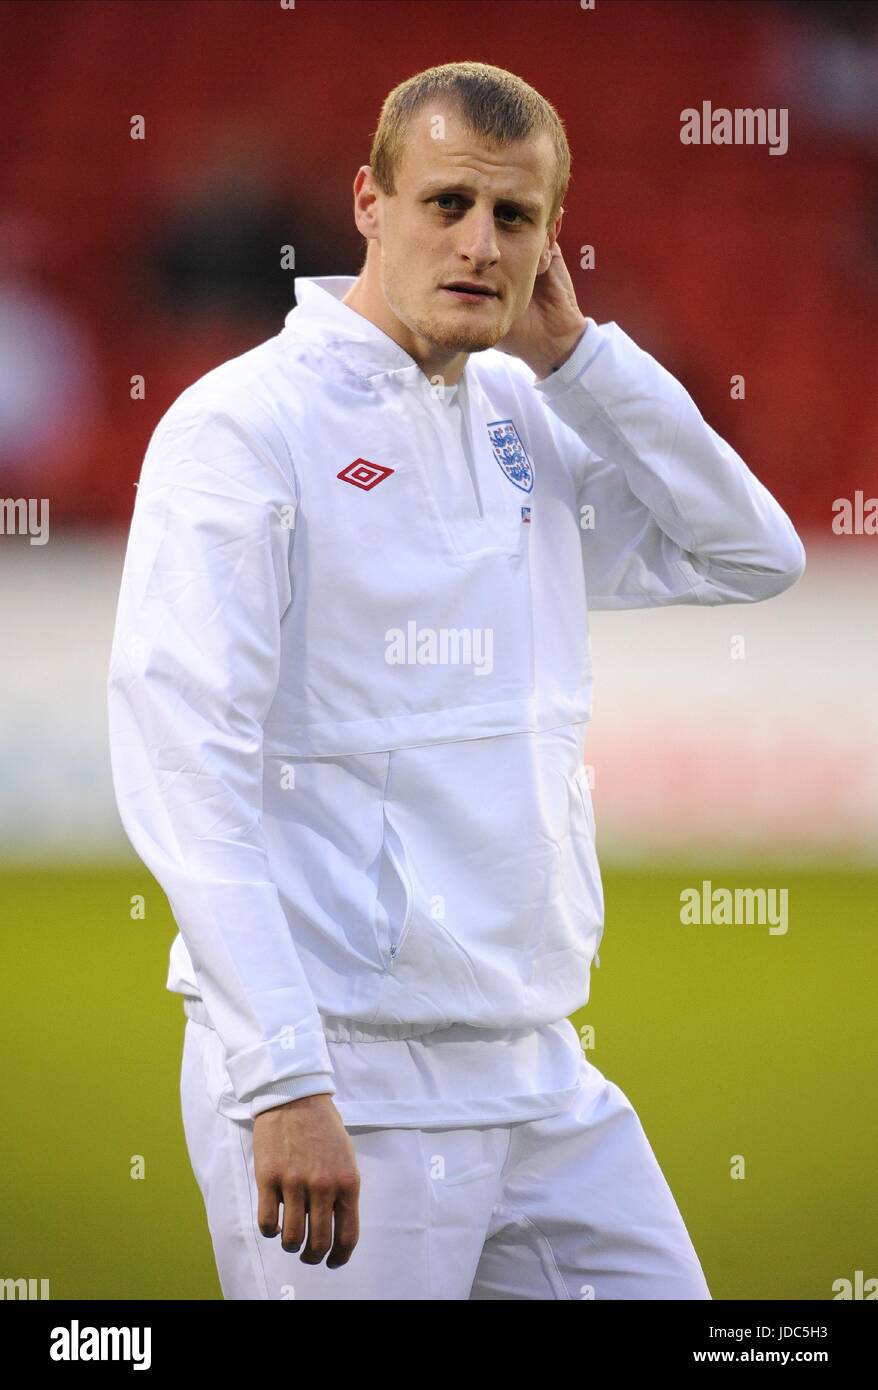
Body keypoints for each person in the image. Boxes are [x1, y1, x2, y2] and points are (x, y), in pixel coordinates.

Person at [107, 61, 805, 1300]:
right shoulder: (243, 427)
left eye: (514, 217)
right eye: (446, 205)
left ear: (548, 241)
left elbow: (751, 551)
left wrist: (584, 359)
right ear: (368, 204)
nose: (480, 244)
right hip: (345, 1080)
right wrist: (281, 1076)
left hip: (542, 1072)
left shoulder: (520, 414)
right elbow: (183, 762)